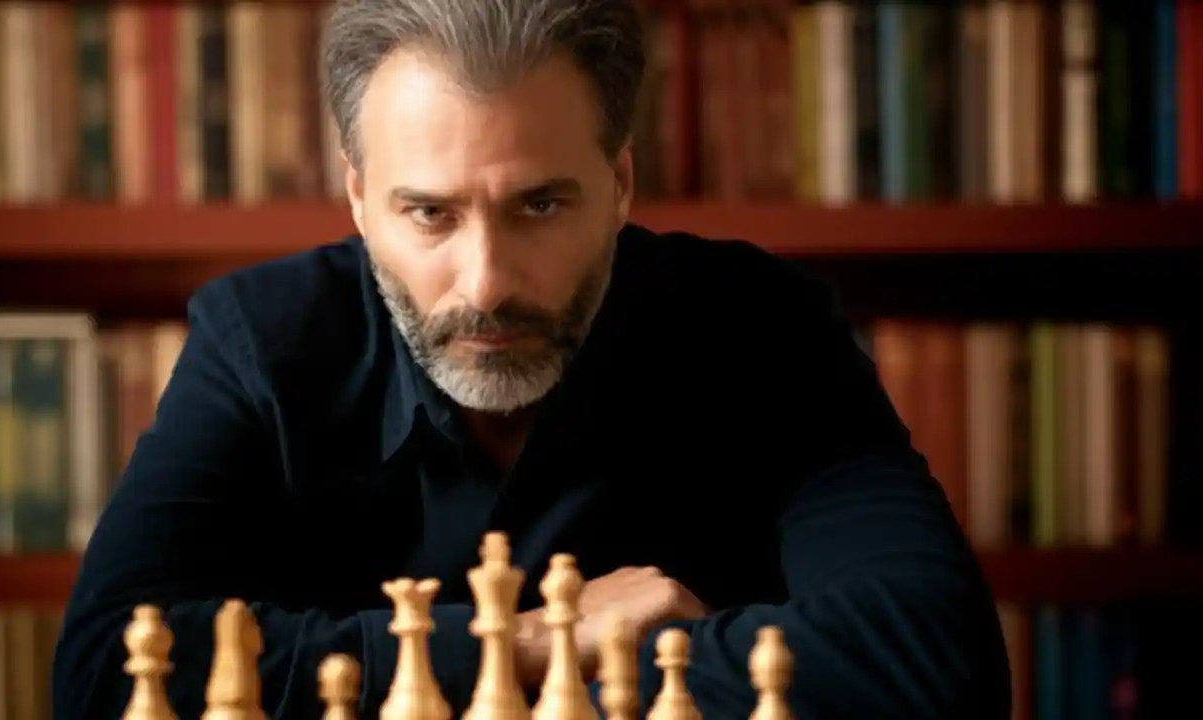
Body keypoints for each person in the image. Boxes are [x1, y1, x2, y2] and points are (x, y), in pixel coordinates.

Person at [52, 1, 1010, 718]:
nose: (487, 282)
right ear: (356, 195)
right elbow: (106, 677)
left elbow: (936, 662)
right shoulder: (260, 341)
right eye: (430, 212)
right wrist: (535, 643)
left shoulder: (760, 328)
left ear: (620, 182)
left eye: (540, 207)